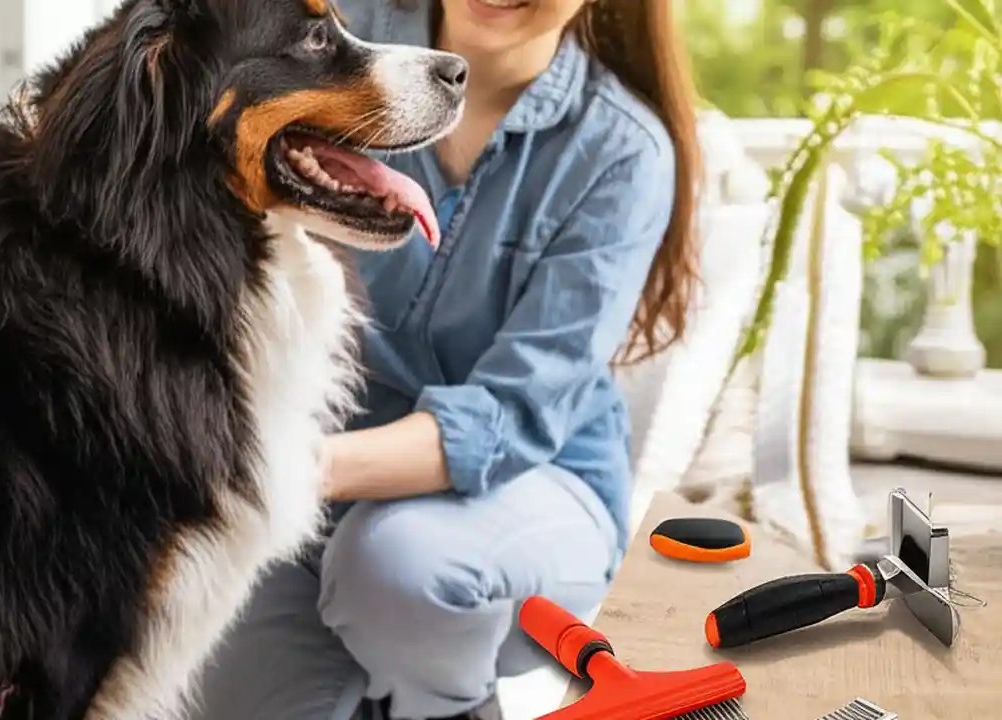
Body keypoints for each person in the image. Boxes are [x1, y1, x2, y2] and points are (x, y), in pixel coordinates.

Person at [193, 0, 700, 718]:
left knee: (398, 569)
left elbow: (513, 417)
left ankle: (446, 703)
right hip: (312, 503)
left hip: (524, 495)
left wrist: (280, 468)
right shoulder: (332, 39)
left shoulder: (622, 153)